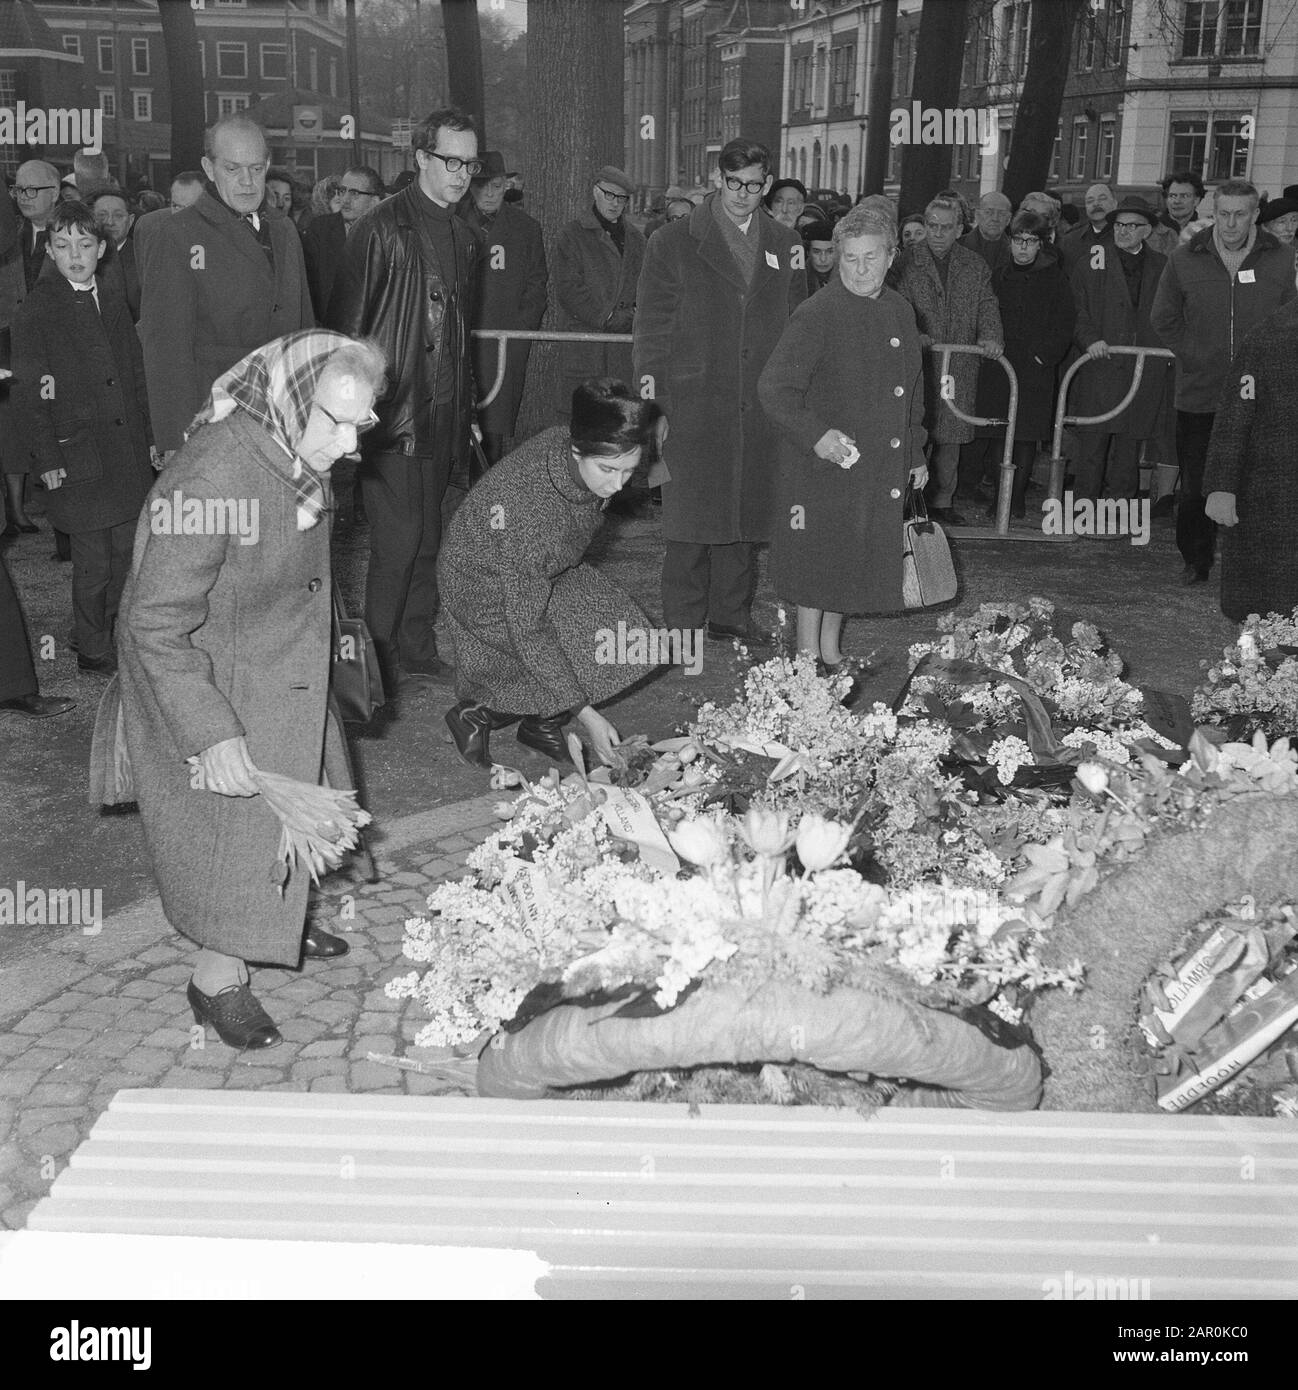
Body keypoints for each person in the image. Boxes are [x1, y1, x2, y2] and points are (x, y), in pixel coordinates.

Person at [117, 331, 384, 1050]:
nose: (350, 446)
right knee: (236, 839)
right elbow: (154, 621)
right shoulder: (212, 477)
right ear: (290, 401)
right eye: (336, 421)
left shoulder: (294, 451)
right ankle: (217, 978)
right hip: (211, 681)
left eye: (362, 423)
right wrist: (211, 733)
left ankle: (277, 921)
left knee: (297, 809)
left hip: (279, 660)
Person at [328, 107, 483, 690]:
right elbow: (348, 328)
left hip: (445, 416)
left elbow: (460, 336)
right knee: (398, 543)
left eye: (469, 164)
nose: (461, 174)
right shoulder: (380, 228)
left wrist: (468, 411)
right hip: (392, 414)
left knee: (430, 539)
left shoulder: (467, 237)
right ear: (420, 158)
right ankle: (372, 663)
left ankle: (416, 646)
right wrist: (348, 416)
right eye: (451, 161)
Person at [634, 137, 806, 648]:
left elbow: (799, 326)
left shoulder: (787, 245)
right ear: (717, 179)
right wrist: (653, 403)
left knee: (744, 515)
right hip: (693, 399)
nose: (742, 195)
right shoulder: (671, 241)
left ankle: (731, 614)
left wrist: (794, 395)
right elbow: (651, 328)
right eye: (734, 183)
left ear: (767, 185)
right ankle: (682, 623)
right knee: (689, 519)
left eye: (753, 186)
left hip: (759, 401)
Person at [439, 379, 662, 770]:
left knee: (623, 635)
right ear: (577, 451)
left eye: (628, 470)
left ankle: (541, 724)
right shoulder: (529, 514)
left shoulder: (572, 444)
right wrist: (585, 714)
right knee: (556, 650)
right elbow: (527, 628)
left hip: (542, 566)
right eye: (608, 469)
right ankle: (475, 714)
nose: (617, 484)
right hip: (479, 584)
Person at [758, 206, 928, 675]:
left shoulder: (900, 310)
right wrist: (817, 435)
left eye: (870, 257)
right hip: (823, 464)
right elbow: (774, 388)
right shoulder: (817, 313)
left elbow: (913, 391)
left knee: (850, 558)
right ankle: (805, 656)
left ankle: (830, 649)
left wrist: (915, 451)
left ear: (891, 256)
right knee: (819, 561)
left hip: (877, 463)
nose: (859, 268)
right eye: (849, 258)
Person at [11, 201, 154, 677]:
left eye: (85, 244)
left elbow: (135, 372)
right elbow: (31, 393)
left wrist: (150, 436)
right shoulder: (37, 310)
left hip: (125, 453)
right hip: (77, 455)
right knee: (94, 562)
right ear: (50, 251)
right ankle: (93, 649)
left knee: (126, 553)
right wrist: (47, 457)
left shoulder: (111, 297)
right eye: (63, 245)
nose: (75, 255)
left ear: (102, 249)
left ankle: (103, 628)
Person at [138, 114, 314, 454]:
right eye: (232, 169)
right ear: (209, 168)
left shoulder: (285, 230)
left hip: (282, 421)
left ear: (267, 165)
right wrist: (175, 439)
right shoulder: (175, 235)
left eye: (256, 169)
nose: (247, 182)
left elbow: (303, 325)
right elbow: (165, 347)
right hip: (215, 424)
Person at [1151, 179, 1297, 584]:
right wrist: (1195, 355)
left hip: (1262, 395)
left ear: (1255, 215)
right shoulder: (1183, 258)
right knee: (1196, 484)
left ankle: (1251, 564)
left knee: (1258, 485)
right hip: (1199, 393)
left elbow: (1292, 320)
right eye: (1224, 214)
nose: (1231, 223)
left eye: (1240, 214)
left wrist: (1273, 365)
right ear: (1213, 212)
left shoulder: (1283, 258)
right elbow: (1163, 317)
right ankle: (1195, 561)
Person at [894, 192, 1003, 525]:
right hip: (918, 362)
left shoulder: (974, 264)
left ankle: (942, 501)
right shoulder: (905, 262)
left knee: (951, 435)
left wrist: (991, 336)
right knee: (915, 431)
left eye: (946, 227)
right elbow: (895, 304)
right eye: (932, 225)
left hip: (960, 361)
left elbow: (987, 304)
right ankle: (908, 501)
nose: (938, 233)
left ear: (959, 229)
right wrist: (914, 334)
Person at [960, 210, 1075, 520]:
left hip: (1034, 368)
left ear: (1041, 244)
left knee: (1024, 435)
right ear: (1010, 241)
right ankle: (1001, 494)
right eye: (1018, 240)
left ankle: (1016, 497)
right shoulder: (998, 275)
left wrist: (1044, 356)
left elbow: (1065, 322)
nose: (1023, 247)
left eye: (1031, 241)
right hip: (1000, 364)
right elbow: (984, 311)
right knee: (999, 431)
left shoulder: (1055, 277)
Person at [1068, 197, 1173, 506]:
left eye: (1131, 225)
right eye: (1119, 225)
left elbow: (1171, 314)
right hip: (1101, 363)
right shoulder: (1091, 261)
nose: (1123, 231)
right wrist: (1089, 340)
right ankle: (1084, 506)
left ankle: (1120, 507)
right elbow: (1075, 308)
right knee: (1093, 442)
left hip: (1143, 366)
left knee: (1130, 443)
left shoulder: (1163, 266)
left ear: (1147, 231)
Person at [1204, 299, 1298, 620]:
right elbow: (1235, 414)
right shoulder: (1265, 338)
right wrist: (1221, 486)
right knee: (1273, 604)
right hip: (1274, 488)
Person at [459, 151, 548, 466]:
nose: (489, 194)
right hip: (462, 339)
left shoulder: (525, 228)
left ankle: (489, 484)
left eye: (496, 186)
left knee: (494, 428)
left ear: (505, 185)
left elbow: (537, 284)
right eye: (481, 187)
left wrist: (520, 330)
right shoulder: (454, 222)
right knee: (457, 423)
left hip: (504, 341)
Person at [552, 164, 643, 418]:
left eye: (622, 198)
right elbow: (569, 289)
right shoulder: (572, 235)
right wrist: (607, 317)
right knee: (582, 419)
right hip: (586, 345)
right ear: (595, 191)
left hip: (622, 349)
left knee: (620, 420)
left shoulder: (637, 239)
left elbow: (646, 285)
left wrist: (634, 315)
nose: (615, 203)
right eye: (609, 195)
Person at [1, 159, 62, 536]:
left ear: (54, 192)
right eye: (17, 189)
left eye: (31, 189)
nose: (22, 196)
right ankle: (15, 509)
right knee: (9, 426)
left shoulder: (72, 232)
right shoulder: (9, 236)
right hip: (8, 345)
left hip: (55, 347)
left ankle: (60, 511)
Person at [304, 164, 383, 322]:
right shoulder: (320, 230)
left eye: (354, 193)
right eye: (342, 191)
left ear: (374, 201)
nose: (345, 200)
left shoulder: (387, 235)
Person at [90, 187, 140, 321]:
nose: (110, 222)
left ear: (130, 221)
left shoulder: (143, 257)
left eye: (118, 216)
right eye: (102, 215)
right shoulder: (83, 256)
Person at [1058, 184, 1117, 273]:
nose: (1096, 204)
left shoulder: (1128, 238)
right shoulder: (1069, 241)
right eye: (1090, 201)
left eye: (1102, 199)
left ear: (1115, 203)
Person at [1148, 170, 1206, 257]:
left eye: (1184, 196)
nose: (1177, 201)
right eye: (1172, 196)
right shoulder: (1150, 230)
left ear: (1196, 200)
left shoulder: (1205, 232)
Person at [961, 190, 1012, 274]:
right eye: (989, 212)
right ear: (977, 215)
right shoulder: (957, 247)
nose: (995, 218)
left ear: (1008, 220)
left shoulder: (1016, 252)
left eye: (1001, 214)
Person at [801, 218, 835, 293]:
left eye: (830, 252)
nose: (823, 259)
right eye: (816, 252)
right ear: (808, 252)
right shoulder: (797, 280)